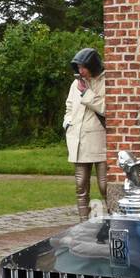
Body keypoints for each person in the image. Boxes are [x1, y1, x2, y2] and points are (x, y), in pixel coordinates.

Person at [63, 47, 107, 220]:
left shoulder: (106, 82)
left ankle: (114, 220)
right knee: (81, 186)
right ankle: (84, 223)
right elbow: (69, 106)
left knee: (105, 186)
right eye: (78, 67)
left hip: (99, 141)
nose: (80, 71)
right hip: (78, 141)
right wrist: (67, 123)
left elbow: (107, 109)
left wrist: (86, 93)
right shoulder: (76, 83)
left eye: (84, 67)